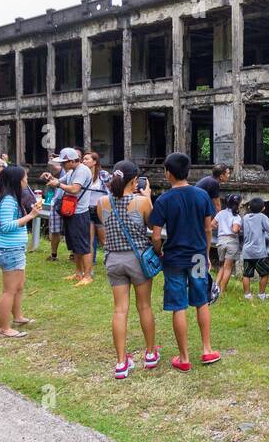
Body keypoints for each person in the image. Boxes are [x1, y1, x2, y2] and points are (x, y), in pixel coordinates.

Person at [148, 151, 221, 372]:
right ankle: (207, 350)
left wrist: (158, 251)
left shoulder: (163, 200)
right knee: (201, 300)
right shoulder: (201, 195)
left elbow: (155, 234)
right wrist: (206, 253)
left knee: (178, 304)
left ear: (167, 173)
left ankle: (184, 357)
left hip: (174, 258)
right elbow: (208, 228)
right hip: (198, 255)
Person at [95, 161, 160, 376]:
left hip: (113, 258)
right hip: (138, 258)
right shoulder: (141, 202)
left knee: (120, 310)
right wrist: (148, 196)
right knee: (144, 306)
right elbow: (152, 226)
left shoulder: (102, 201)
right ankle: (150, 353)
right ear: (134, 180)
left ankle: (121, 362)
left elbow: (103, 228)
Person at [0, 165, 41, 337]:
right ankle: (3, 327)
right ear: (17, 180)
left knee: (19, 286)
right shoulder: (8, 200)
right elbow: (5, 227)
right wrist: (30, 216)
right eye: (25, 178)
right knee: (9, 290)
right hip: (8, 250)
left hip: (14, 249)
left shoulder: (6, 197)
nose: (26, 181)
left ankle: (18, 317)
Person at [41, 148, 95, 284]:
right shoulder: (71, 171)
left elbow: (75, 189)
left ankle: (87, 276)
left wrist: (58, 184)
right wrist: (50, 178)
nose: (62, 165)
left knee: (83, 245)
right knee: (74, 245)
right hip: (71, 212)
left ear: (71, 161)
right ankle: (78, 273)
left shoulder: (82, 171)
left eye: (64, 162)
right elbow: (60, 181)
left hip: (79, 213)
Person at [241, 197, 269, 299]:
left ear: (249, 207)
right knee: (265, 273)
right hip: (260, 252)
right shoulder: (262, 217)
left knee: (246, 274)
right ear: (263, 208)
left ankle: (247, 294)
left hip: (247, 251)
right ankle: (261, 294)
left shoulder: (245, 217)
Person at [213, 193, 243, 296]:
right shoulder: (237, 216)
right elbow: (235, 229)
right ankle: (221, 291)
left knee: (222, 266)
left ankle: (215, 287)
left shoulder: (221, 213)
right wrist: (238, 229)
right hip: (231, 241)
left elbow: (212, 224)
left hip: (221, 241)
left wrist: (221, 227)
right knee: (228, 268)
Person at [83, 151, 111, 252]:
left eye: (86, 159)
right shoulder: (83, 174)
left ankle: (110, 261)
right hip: (87, 209)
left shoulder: (103, 174)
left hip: (100, 210)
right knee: (89, 240)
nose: (84, 161)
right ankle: (90, 264)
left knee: (104, 240)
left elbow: (112, 188)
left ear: (94, 162)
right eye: (83, 159)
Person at [43, 161, 63, 261]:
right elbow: (59, 181)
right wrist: (50, 177)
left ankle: (73, 254)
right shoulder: (64, 172)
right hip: (57, 201)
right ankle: (54, 254)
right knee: (55, 230)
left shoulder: (77, 171)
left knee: (70, 230)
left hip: (71, 202)